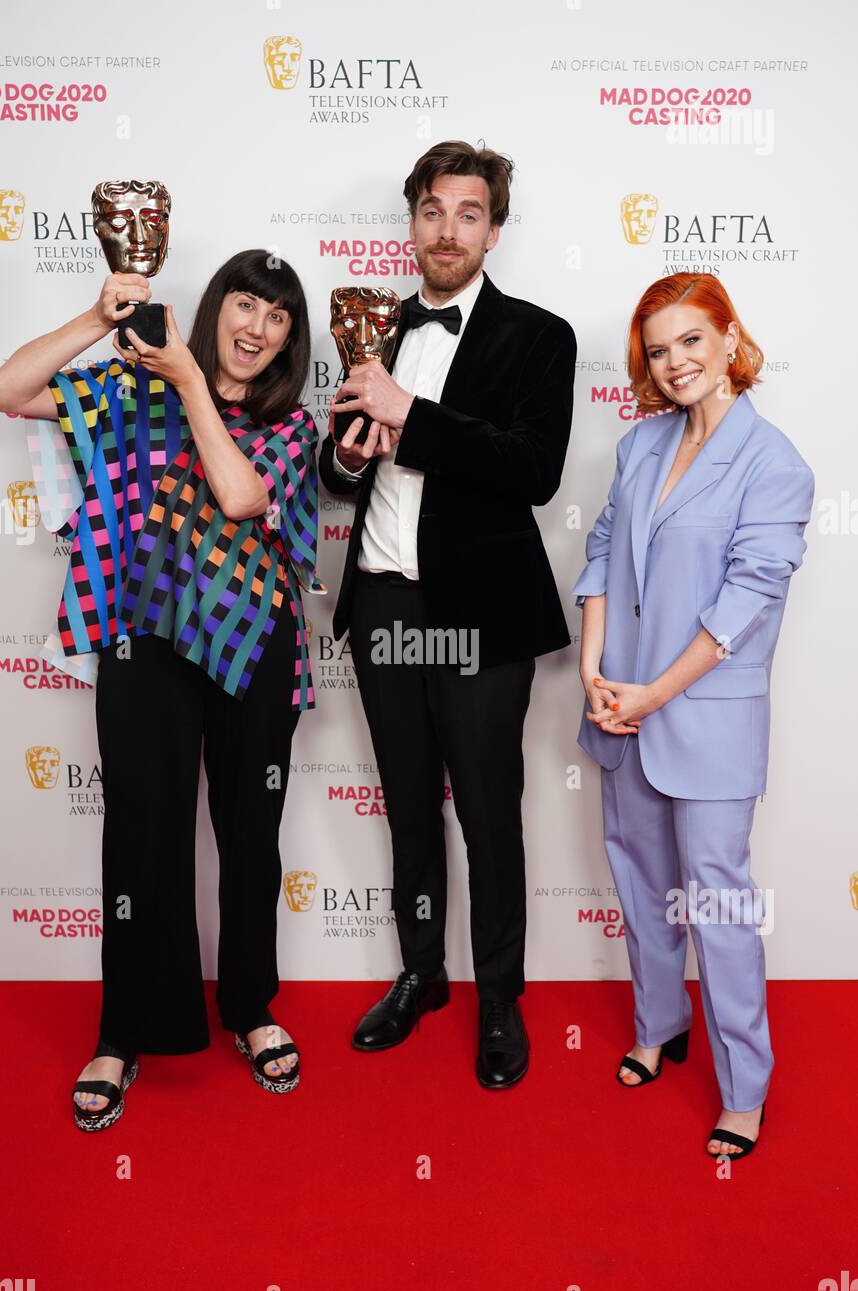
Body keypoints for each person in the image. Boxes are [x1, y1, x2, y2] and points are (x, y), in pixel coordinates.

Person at [0, 249, 322, 1128]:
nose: (254, 327)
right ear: (215, 308)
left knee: (251, 836)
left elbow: (242, 496)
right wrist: (103, 319)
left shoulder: (292, 426)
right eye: (244, 304)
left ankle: (250, 1010)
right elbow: (10, 388)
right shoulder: (128, 389)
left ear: (290, 338)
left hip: (256, 642)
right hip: (146, 637)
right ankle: (122, 1031)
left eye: (277, 316)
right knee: (142, 835)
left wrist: (189, 383)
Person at [319, 140, 576, 1088]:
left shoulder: (539, 336)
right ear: (413, 221)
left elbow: (533, 469)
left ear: (493, 230)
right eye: (431, 210)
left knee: (486, 810)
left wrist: (410, 412)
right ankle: (421, 975)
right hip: (384, 606)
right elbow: (336, 474)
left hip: (475, 618)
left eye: (468, 214)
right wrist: (348, 454)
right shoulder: (372, 330)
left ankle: (500, 998)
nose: (446, 229)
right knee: (408, 809)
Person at [572, 273, 814, 1159]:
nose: (674, 363)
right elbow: (602, 554)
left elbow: (741, 606)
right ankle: (659, 1025)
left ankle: (744, 1088)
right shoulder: (640, 447)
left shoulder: (776, 464)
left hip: (700, 717)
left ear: (728, 339)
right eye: (658, 348)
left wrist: (651, 693)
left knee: (720, 906)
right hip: (620, 706)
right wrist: (596, 669)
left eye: (690, 341)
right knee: (639, 884)